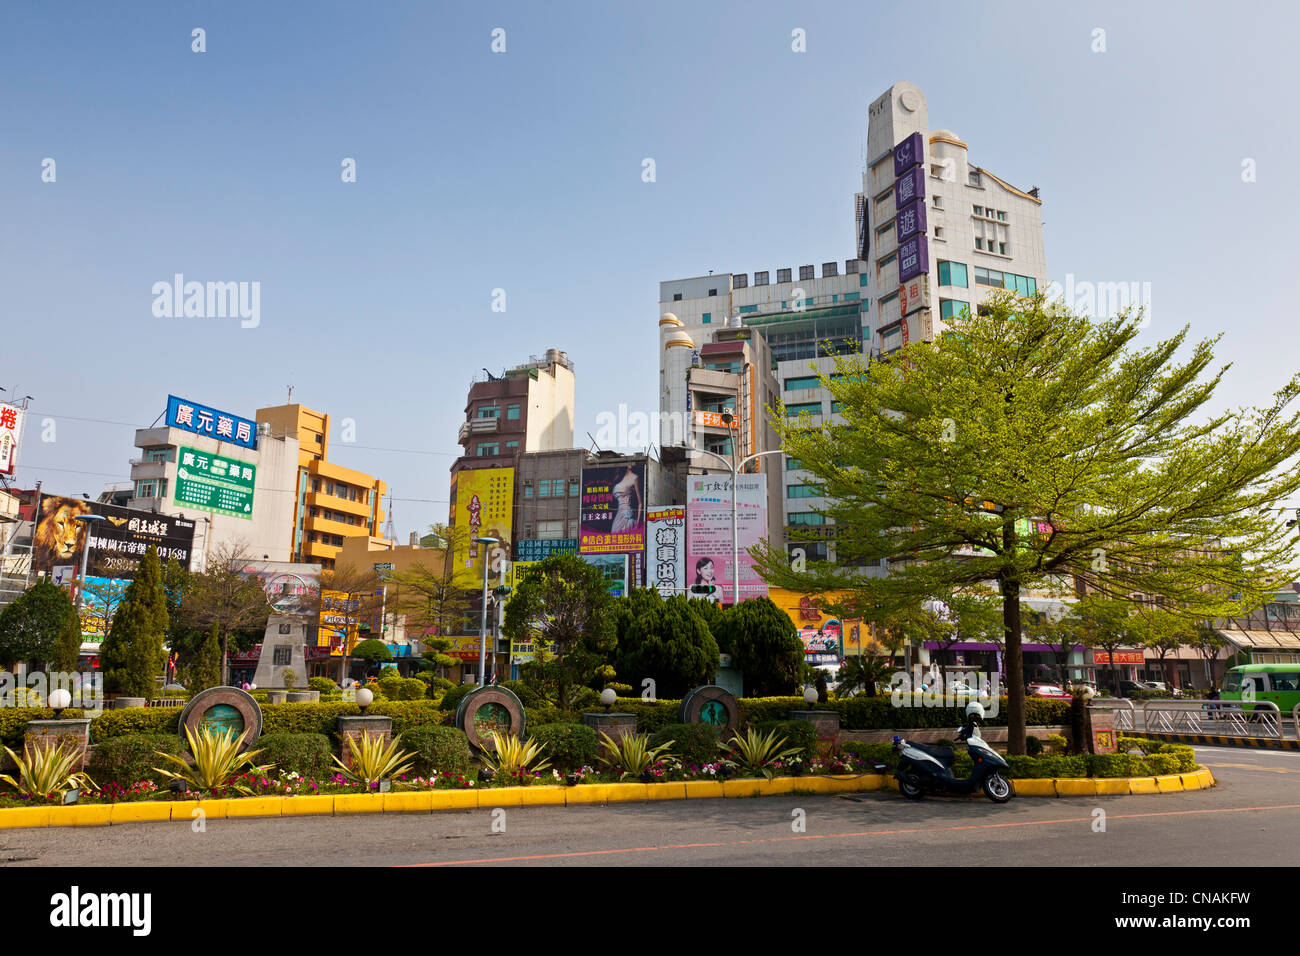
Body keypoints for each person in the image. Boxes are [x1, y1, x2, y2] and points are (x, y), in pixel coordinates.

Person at [610, 467, 642, 535]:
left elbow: (640, 503)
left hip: (627, 516)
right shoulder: (618, 477)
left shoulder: (634, 478)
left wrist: (637, 524)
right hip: (618, 515)